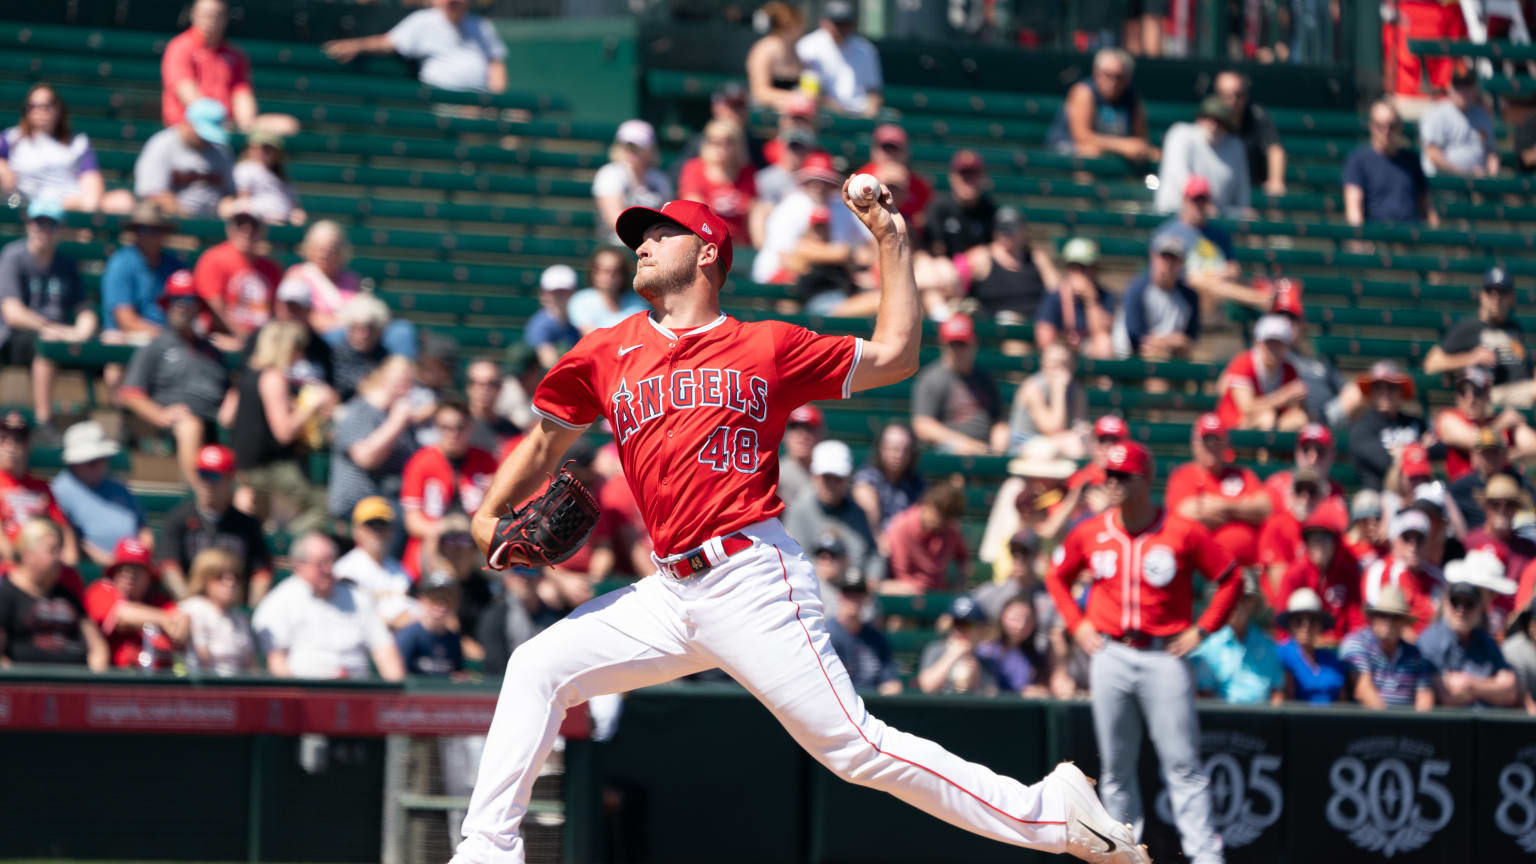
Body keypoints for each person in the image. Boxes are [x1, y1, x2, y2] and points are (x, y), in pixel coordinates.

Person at [452, 194, 1148, 864]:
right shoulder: (610, 349)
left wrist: (890, 241)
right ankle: (486, 853)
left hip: (749, 577)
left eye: (662, 233)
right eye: (641, 236)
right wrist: (488, 512)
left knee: (856, 749)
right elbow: (546, 440)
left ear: (707, 253)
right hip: (667, 591)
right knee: (537, 667)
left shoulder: (766, 346)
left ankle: (1050, 811)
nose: (643, 244)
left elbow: (898, 354)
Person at [1046, 441, 1238, 864]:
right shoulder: (1091, 531)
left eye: (1122, 476)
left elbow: (1230, 577)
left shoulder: (1181, 530)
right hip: (1111, 652)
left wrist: (1203, 629)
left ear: (1145, 479)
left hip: (1163, 654)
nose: (1112, 483)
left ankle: (1206, 857)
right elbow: (1056, 576)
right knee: (1115, 768)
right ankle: (1122, 858)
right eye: (1108, 475)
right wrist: (1077, 624)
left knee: (1183, 766)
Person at [118, 270, 236, 484]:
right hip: (177, 422)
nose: (182, 306)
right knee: (190, 425)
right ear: (167, 305)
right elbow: (130, 393)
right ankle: (198, 492)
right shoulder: (155, 347)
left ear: (198, 307)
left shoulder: (212, 350)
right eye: (176, 300)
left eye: (188, 300)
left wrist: (232, 399)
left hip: (217, 418)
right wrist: (160, 414)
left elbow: (231, 386)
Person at [253, 532, 405, 681]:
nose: (328, 569)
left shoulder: (358, 598)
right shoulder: (280, 601)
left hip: (357, 689)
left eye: (331, 561)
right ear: (300, 565)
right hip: (306, 691)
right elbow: (276, 662)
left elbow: (385, 650)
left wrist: (397, 693)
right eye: (321, 563)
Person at [0, 198, 97, 430]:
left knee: (106, 352)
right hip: (16, 337)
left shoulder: (66, 265)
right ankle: (43, 420)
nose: (43, 230)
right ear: (29, 225)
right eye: (38, 223)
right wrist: (55, 330)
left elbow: (84, 309)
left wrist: (82, 331)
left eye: (50, 224)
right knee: (45, 349)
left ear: (60, 228)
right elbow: (13, 314)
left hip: (59, 335)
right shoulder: (13, 257)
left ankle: (110, 424)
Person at [231, 320, 335, 534]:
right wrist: (310, 406)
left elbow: (226, 417)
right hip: (267, 468)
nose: (301, 356)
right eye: (298, 348)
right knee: (324, 505)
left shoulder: (249, 373)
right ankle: (287, 543)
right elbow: (284, 433)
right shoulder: (273, 378)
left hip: (245, 464)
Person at [752, 152, 873, 313]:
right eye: (813, 180)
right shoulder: (792, 205)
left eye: (824, 181)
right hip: (784, 279)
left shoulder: (841, 207)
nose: (818, 186)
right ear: (804, 181)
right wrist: (839, 255)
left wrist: (856, 263)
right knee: (789, 291)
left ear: (832, 183)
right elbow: (786, 258)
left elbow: (867, 247)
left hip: (829, 284)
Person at [158, 444, 272, 602]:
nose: (207, 482)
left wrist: (253, 609)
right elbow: (168, 565)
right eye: (202, 474)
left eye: (214, 476)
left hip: (233, 607)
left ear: (229, 480)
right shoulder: (179, 518)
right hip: (191, 603)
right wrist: (187, 601)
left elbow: (261, 573)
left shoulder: (247, 525)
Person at [161, 0, 295, 133]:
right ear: (193, 15)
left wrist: (246, 124)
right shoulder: (179, 47)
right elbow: (187, 94)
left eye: (216, 16)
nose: (210, 21)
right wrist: (217, 120)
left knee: (287, 125)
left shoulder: (235, 54)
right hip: (188, 127)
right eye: (204, 15)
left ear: (225, 19)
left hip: (227, 126)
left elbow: (241, 93)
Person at [321, 0, 508, 94]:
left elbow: (496, 64)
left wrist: (495, 99)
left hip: (482, 101)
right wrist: (356, 45)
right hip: (445, 101)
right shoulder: (424, 21)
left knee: (516, 117)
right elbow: (388, 42)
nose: (454, 3)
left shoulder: (481, 25)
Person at [401, 400, 498, 579]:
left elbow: (498, 512)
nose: (453, 434)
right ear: (436, 427)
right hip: (434, 542)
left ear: (470, 427)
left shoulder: (486, 462)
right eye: (445, 427)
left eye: (459, 427)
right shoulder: (421, 462)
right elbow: (412, 521)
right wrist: (443, 528)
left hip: (473, 544)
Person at [0, 83, 130, 213]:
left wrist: (68, 204)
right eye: (32, 106)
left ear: (58, 109)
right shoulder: (11, 138)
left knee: (123, 200)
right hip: (24, 205)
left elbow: (91, 188)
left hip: (67, 207)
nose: (39, 111)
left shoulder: (78, 142)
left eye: (46, 106)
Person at [1165, 413, 1271, 567]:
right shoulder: (1184, 475)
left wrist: (1221, 506)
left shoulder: (1243, 474)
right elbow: (1187, 516)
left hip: (1248, 567)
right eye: (1206, 440)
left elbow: (1264, 509)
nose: (1212, 446)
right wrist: (1242, 509)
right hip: (1205, 568)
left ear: (1226, 444)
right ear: (1195, 444)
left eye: (1217, 440)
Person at [0, 519, 107, 669]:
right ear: (28, 555)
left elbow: (97, 646)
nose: (60, 558)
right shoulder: (6, 594)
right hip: (26, 680)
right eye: (53, 551)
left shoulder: (67, 595)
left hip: (75, 679)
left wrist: (95, 674)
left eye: (60, 551)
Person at [1419, 556, 1521, 707]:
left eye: (1469, 603)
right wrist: (1491, 686)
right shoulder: (1431, 641)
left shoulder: (1486, 641)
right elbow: (1447, 695)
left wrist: (1471, 684)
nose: (1461, 610)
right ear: (1447, 602)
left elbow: (1510, 691)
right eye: (1455, 602)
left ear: (1479, 606)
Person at [1153, 175, 1263, 312]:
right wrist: (1213, 278)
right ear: (1185, 200)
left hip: (1222, 294)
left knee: (1214, 286)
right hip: (1188, 295)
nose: (1199, 206)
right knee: (1202, 284)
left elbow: (1233, 269)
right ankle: (1258, 299)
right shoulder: (1168, 233)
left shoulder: (1219, 235)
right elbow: (1177, 275)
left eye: (1203, 200)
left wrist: (1217, 276)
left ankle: (1258, 299)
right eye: (1195, 200)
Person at [327, 356, 416, 520]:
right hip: (358, 505)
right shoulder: (359, 410)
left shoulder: (398, 416)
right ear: (384, 379)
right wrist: (396, 422)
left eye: (409, 383)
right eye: (401, 382)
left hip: (390, 501)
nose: (406, 390)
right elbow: (366, 458)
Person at [50, 422, 149, 567]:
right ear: (74, 464)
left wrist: (141, 555)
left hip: (135, 565)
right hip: (90, 568)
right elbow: (71, 540)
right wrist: (112, 563)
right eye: (90, 462)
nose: (98, 465)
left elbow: (143, 529)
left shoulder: (118, 486)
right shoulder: (60, 490)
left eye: (101, 459)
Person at [82, 538, 188, 669]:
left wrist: (183, 619)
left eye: (136, 570)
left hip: (161, 675)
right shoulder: (101, 590)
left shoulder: (159, 602)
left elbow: (178, 620)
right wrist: (164, 619)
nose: (129, 576)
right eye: (123, 570)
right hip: (117, 675)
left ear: (149, 577)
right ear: (114, 573)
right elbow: (120, 614)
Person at [1424, 268, 1532, 394]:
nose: (1496, 298)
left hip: (1523, 394)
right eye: (1490, 292)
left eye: (1502, 292)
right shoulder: (1469, 327)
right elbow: (1431, 364)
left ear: (1511, 297)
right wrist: (1471, 358)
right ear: (1482, 296)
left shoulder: (1514, 327)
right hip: (1490, 395)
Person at [785, 440, 879, 583]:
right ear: (815, 477)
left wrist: (871, 578)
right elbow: (792, 558)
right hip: (811, 586)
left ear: (847, 479)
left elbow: (873, 554)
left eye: (838, 479)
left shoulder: (858, 513)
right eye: (827, 478)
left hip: (853, 590)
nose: (832, 485)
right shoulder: (800, 511)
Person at [911, 314, 1006, 455]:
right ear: (943, 345)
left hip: (985, 448)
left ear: (973, 344)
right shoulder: (932, 378)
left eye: (962, 344)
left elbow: (999, 421)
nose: (957, 351)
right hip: (949, 451)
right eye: (953, 344)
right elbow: (923, 425)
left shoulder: (984, 377)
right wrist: (967, 445)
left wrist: (999, 447)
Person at [1044, 48, 1155, 162]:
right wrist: (1122, 146)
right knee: (1090, 153)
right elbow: (1082, 137)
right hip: (1065, 152)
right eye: (1108, 75)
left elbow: (1139, 140)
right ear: (1096, 73)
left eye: (1119, 77)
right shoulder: (1083, 92)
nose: (1113, 82)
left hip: (1108, 155)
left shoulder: (1133, 98)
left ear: (1128, 79)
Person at [133, 98, 237, 219]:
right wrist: (187, 220)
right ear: (188, 123)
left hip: (214, 220)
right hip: (170, 221)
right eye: (201, 133)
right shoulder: (162, 144)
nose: (205, 139)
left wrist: (228, 204)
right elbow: (153, 193)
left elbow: (230, 192)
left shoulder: (221, 150)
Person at [1189, 574, 1284, 705]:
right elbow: (1205, 697)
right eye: (1232, 597)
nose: (1237, 604)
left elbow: (1276, 692)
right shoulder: (1208, 647)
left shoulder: (1268, 645)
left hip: (1264, 716)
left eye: (1244, 598)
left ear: (1253, 604)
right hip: (1223, 716)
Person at [0, 411, 79, 566]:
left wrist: (69, 559)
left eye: (18, 440)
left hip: (43, 562)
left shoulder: (41, 487)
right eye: (3, 439)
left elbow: (64, 528)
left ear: (28, 446)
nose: (11, 447)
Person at [1340, 584, 1437, 710]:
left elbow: (1424, 695)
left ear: (1404, 623)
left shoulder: (1416, 655)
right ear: (1373, 618)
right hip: (1368, 720)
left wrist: (1420, 720)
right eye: (1382, 615)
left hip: (1408, 721)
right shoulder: (1357, 643)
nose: (1388, 621)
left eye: (1395, 617)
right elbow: (1363, 690)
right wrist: (1390, 720)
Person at [194, 203, 281, 342]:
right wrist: (245, 339)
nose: (246, 231)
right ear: (230, 229)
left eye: (253, 226)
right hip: (221, 336)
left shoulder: (271, 268)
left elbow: (276, 309)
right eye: (240, 224)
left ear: (262, 232)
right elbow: (215, 305)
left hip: (261, 338)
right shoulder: (214, 258)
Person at [1277, 508, 1365, 644]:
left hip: (1340, 646)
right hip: (1302, 647)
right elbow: (1282, 629)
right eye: (1314, 539)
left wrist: (1350, 644)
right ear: (1307, 543)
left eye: (1324, 538)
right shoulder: (1294, 575)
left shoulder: (1348, 571)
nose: (1319, 545)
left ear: (1335, 543)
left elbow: (1356, 619)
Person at [1343, 101, 1436, 226]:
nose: (1386, 132)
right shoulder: (1358, 160)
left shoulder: (1412, 160)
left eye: (1391, 126)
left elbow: (1426, 206)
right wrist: (1360, 235)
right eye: (1379, 126)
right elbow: (1354, 209)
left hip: (1411, 233)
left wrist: (1435, 230)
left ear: (1399, 127)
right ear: (1371, 127)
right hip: (1375, 233)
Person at [1154, 96, 1250, 216]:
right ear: (1199, 119)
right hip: (1174, 216)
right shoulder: (1180, 134)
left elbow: (1242, 195)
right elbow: (1179, 174)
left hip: (1216, 221)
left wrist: (1243, 213)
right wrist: (1203, 205)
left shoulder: (1235, 146)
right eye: (1208, 118)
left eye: (1220, 121)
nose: (1213, 125)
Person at [1435, 366, 1533, 483]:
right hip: (1468, 488)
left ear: (1487, 395)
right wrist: (1500, 425)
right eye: (1463, 392)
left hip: (1503, 487)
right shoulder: (1448, 418)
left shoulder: (1503, 420)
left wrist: (1506, 456)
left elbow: (1532, 446)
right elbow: (1474, 441)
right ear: (1457, 396)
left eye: (1477, 392)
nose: (1470, 400)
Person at [956, 207, 1053, 325]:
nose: (1006, 234)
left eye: (1012, 229)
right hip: (996, 327)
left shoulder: (1037, 259)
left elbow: (1056, 292)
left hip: (1034, 325)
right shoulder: (981, 257)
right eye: (1002, 228)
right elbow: (955, 279)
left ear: (1023, 231)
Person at [1111, 233, 1200, 360]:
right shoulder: (1137, 290)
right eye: (1164, 258)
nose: (1168, 265)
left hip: (1173, 354)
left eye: (1174, 260)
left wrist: (1170, 343)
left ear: (1182, 263)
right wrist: (1171, 341)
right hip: (1133, 355)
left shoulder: (1189, 297)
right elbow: (1137, 337)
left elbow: (1189, 340)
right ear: (1153, 258)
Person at [100, 202, 182, 339]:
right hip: (126, 337)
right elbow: (125, 320)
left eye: (157, 230)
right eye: (145, 230)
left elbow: (185, 306)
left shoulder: (174, 265)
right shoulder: (121, 263)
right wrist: (164, 336)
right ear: (135, 233)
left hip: (167, 337)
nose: (151, 236)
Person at [334, 496, 415, 630]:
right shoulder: (345, 570)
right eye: (371, 526)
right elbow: (349, 616)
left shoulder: (400, 570)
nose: (377, 532)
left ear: (392, 531)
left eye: (383, 525)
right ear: (356, 530)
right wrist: (392, 622)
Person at [1215, 314, 1307, 430]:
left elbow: (1295, 408)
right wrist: (1283, 396)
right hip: (1234, 426)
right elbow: (1247, 408)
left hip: (1272, 422)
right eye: (1269, 343)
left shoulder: (1289, 369)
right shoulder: (1243, 363)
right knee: (1266, 418)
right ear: (1258, 342)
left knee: (1298, 419)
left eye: (1279, 343)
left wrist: (1298, 399)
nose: (1273, 348)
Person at [677, 119, 757, 247]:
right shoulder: (694, 168)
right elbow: (695, 209)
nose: (721, 147)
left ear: (738, 145)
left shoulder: (747, 173)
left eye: (728, 141)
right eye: (714, 141)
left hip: (739, 242)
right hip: (706, 239)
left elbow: (752, 210)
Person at [1363, 509, 1444, 636]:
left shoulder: (1439, 577)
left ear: (1428, 544)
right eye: (1407, 538)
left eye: (1419, 539)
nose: (1413, 547)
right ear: (1395, 541)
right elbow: (1379, 621)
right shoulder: (1379, 572)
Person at [478, 565, 570, 677]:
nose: (525, 579)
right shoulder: (495, 616)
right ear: (508, 579)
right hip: (509, 682)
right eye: (518, 571)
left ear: (541, 578)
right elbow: (495, 666)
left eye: (531, 572)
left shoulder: (555, 615)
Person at [795, 0, 882, 117]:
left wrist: (870, 112)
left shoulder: (866, 49)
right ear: (824, 22)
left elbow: (873, 91)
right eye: (837, 23)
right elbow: (808, 90)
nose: (842, 28)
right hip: (821, 114)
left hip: (860, 114)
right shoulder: (807, 46)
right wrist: (833, 106)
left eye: (846, 23)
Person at [1349, 361, 1426, 491]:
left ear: (1401, 391)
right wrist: (1419, 449)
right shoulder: (1361, 428)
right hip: (1378, 495)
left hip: (1419, 493)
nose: (1385, 393)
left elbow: (1439, 449)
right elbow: (1384, 462)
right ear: (1371, 392)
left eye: (1391, 387)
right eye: (1378, 387)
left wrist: (1400, 453)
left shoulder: (1416, 422)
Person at [179, 547, 256, 676]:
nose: (230, 582)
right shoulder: (193, 608)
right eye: (220, 576)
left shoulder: (239, 616)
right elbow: (204, 659)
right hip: (205, 684)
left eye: (235, 577)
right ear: (204, 579)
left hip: (237, 684)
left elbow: (250, 665)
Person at [825, 564, 902, 695]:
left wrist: (889, 688)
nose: (854, 599)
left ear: (866, 597)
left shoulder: (875, 637)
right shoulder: (827, 634)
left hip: (873, 702)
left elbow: (891, 682)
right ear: (840, 595)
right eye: (848, 593)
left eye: (859, 593)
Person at [590, 120, 670, 246]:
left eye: (637, 148)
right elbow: (614, 219)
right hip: (615, 245)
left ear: (650, 150)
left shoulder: (660, 179)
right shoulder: (609, 174)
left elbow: (667, 216)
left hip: (652, 245)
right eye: (627, 147)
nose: (631, 152)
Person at [1034, 237, 1114, 360]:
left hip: (1089, 352)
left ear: (1095, 268)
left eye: (1084, 267)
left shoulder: (1105, 296)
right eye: (1074, 267)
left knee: (1104, 344)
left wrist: (1091, 301)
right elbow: (1044, 339)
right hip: (1061, 355)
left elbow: (1101, 333)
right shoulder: (1054, 296)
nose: (1079, 273)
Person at [883, 483, 969, 594]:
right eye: (937, 513)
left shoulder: (951, 530)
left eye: (946, 518)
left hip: (940, 593)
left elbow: (964, 560)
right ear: (926, 504)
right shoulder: (902, 527)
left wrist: (960, 581)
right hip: (908, 593)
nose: (939, 521)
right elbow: (902, 574)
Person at [1007, 343, 1089, 459]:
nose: (1061, 370)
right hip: (1023, 447)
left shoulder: (1076, 391)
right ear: (1044, 364)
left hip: (1059, 442)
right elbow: (1053, 429)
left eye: (1065, 364)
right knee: (1067, 446)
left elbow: (1079, 425)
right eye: (1054, 363)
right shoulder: (1032, 388)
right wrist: (1058, 392)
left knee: (1083, 443)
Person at [1212, 70, 1286, 198]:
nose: (1232, 101)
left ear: (1245, 96)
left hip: (1252, 189)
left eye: (1238, 95)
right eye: (1225, 95)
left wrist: (1275, 181)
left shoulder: (1256, 116)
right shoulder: (1209, 118)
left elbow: (1275, 150)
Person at [1420, 72, 1499, 179]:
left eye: (1467, 85)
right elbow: (1433, 154)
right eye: (1458, 86)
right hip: (1443, 180)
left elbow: (1491, 153)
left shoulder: (1483, 115)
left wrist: (1491, 177)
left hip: (1478, 180)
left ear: (1474, 89)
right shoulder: (1436, 113)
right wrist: (1463, 175)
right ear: (1450, 88)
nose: (1463, 91)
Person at [852, 422, 924, 536]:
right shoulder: (866, 480)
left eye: (905, 450)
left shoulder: (918, 484)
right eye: (894, 449)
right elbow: (871, 529)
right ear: (881, 448)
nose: (899, 455)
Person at [1276, 588, 1347, 703]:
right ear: (1290, 625)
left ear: (1320, 626)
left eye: (1313, 620)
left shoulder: (1332, 660)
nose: (1306, 626)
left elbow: (1342, 701)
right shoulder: (1280, 655)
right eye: (1299, 620)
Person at [922, 150, 997, 259]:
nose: (968, 181)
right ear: (952, 177)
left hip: (978, 265)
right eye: (964, 175)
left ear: (982, 178)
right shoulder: (939, 208)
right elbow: (935, 248)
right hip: (945, 265)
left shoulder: (989, 210)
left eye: (973, 175)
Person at [916, 596, 997, 696]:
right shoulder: (935, 649)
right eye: (957, 623)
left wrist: (976, 679)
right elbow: (927, 686)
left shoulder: (984, 656)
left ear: (979, 629)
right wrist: (953, 655)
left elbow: (991, 694)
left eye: (967, 624)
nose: (960, 630)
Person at [856, 124, 932, 228]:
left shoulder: (918, 186)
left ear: (906, 153)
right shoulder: (860, 179)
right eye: (885, 148)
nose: (890, 155)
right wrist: (877, 187)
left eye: (895, 149)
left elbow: (922, 224)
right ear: (874, 151)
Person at [977, 595, 1053, 697]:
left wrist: (1040, 691)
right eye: (1016, 618)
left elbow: (1043, 687)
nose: (1022, 625)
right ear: (1003, 617)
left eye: (1028, 620)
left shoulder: (1034, 656)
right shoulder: (986, 651)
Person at [1263, 423, 1346, 514]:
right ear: (1297, 452)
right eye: (1306, 450)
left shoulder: (1336, 493)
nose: (1313, 459)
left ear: (1331, 456)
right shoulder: (1276, 485)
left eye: (1320, 452)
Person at [396, 570, 465, 677]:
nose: (441, 606)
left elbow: (457, 674)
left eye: (447, 600)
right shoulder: (408, 636)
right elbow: (398, 677)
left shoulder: (453, 640)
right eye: (435, 599)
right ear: (423, 600)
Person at [745, 1, 806, 112]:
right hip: (765, 115)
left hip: (793, 114)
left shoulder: (795, 50)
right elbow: (759, 93)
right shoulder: (764, 49)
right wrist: (794, 98)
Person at [233, 130, 304, 225]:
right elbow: (243, 199)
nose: (268, 152)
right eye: (264, 148)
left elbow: (294, 205)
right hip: (260, 222)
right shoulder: (245, 168)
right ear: (252, 148)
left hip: (284, 221)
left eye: (271, 149)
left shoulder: (282, 176)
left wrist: (297, 214)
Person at [567, 248, 643, 335]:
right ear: (594, 272)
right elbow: (591, 336)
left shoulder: (636, 303)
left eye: (616, 271)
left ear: (623, 275)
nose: (610, 276)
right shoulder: (581, 301)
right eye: (605, 270)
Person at [524, 264, 582, 370]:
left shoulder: (578, 322)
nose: (560, 297)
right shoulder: (540, 324)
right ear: (543, 294)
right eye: (555, 292)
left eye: (564, 292)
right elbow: (548, 361)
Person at [465, 359, 518, 454]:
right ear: (469, 387)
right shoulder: (457, 426)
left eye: (492, 384)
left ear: (500, 388)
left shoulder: (511, 430)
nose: (486, 389)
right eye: (480, 384)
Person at [778, 404, 823, 509]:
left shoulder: (828, 472)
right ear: (786, 435)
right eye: (795, 429)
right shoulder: (775, 474)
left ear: (820, 435)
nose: (803, 436)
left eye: (809, 429)